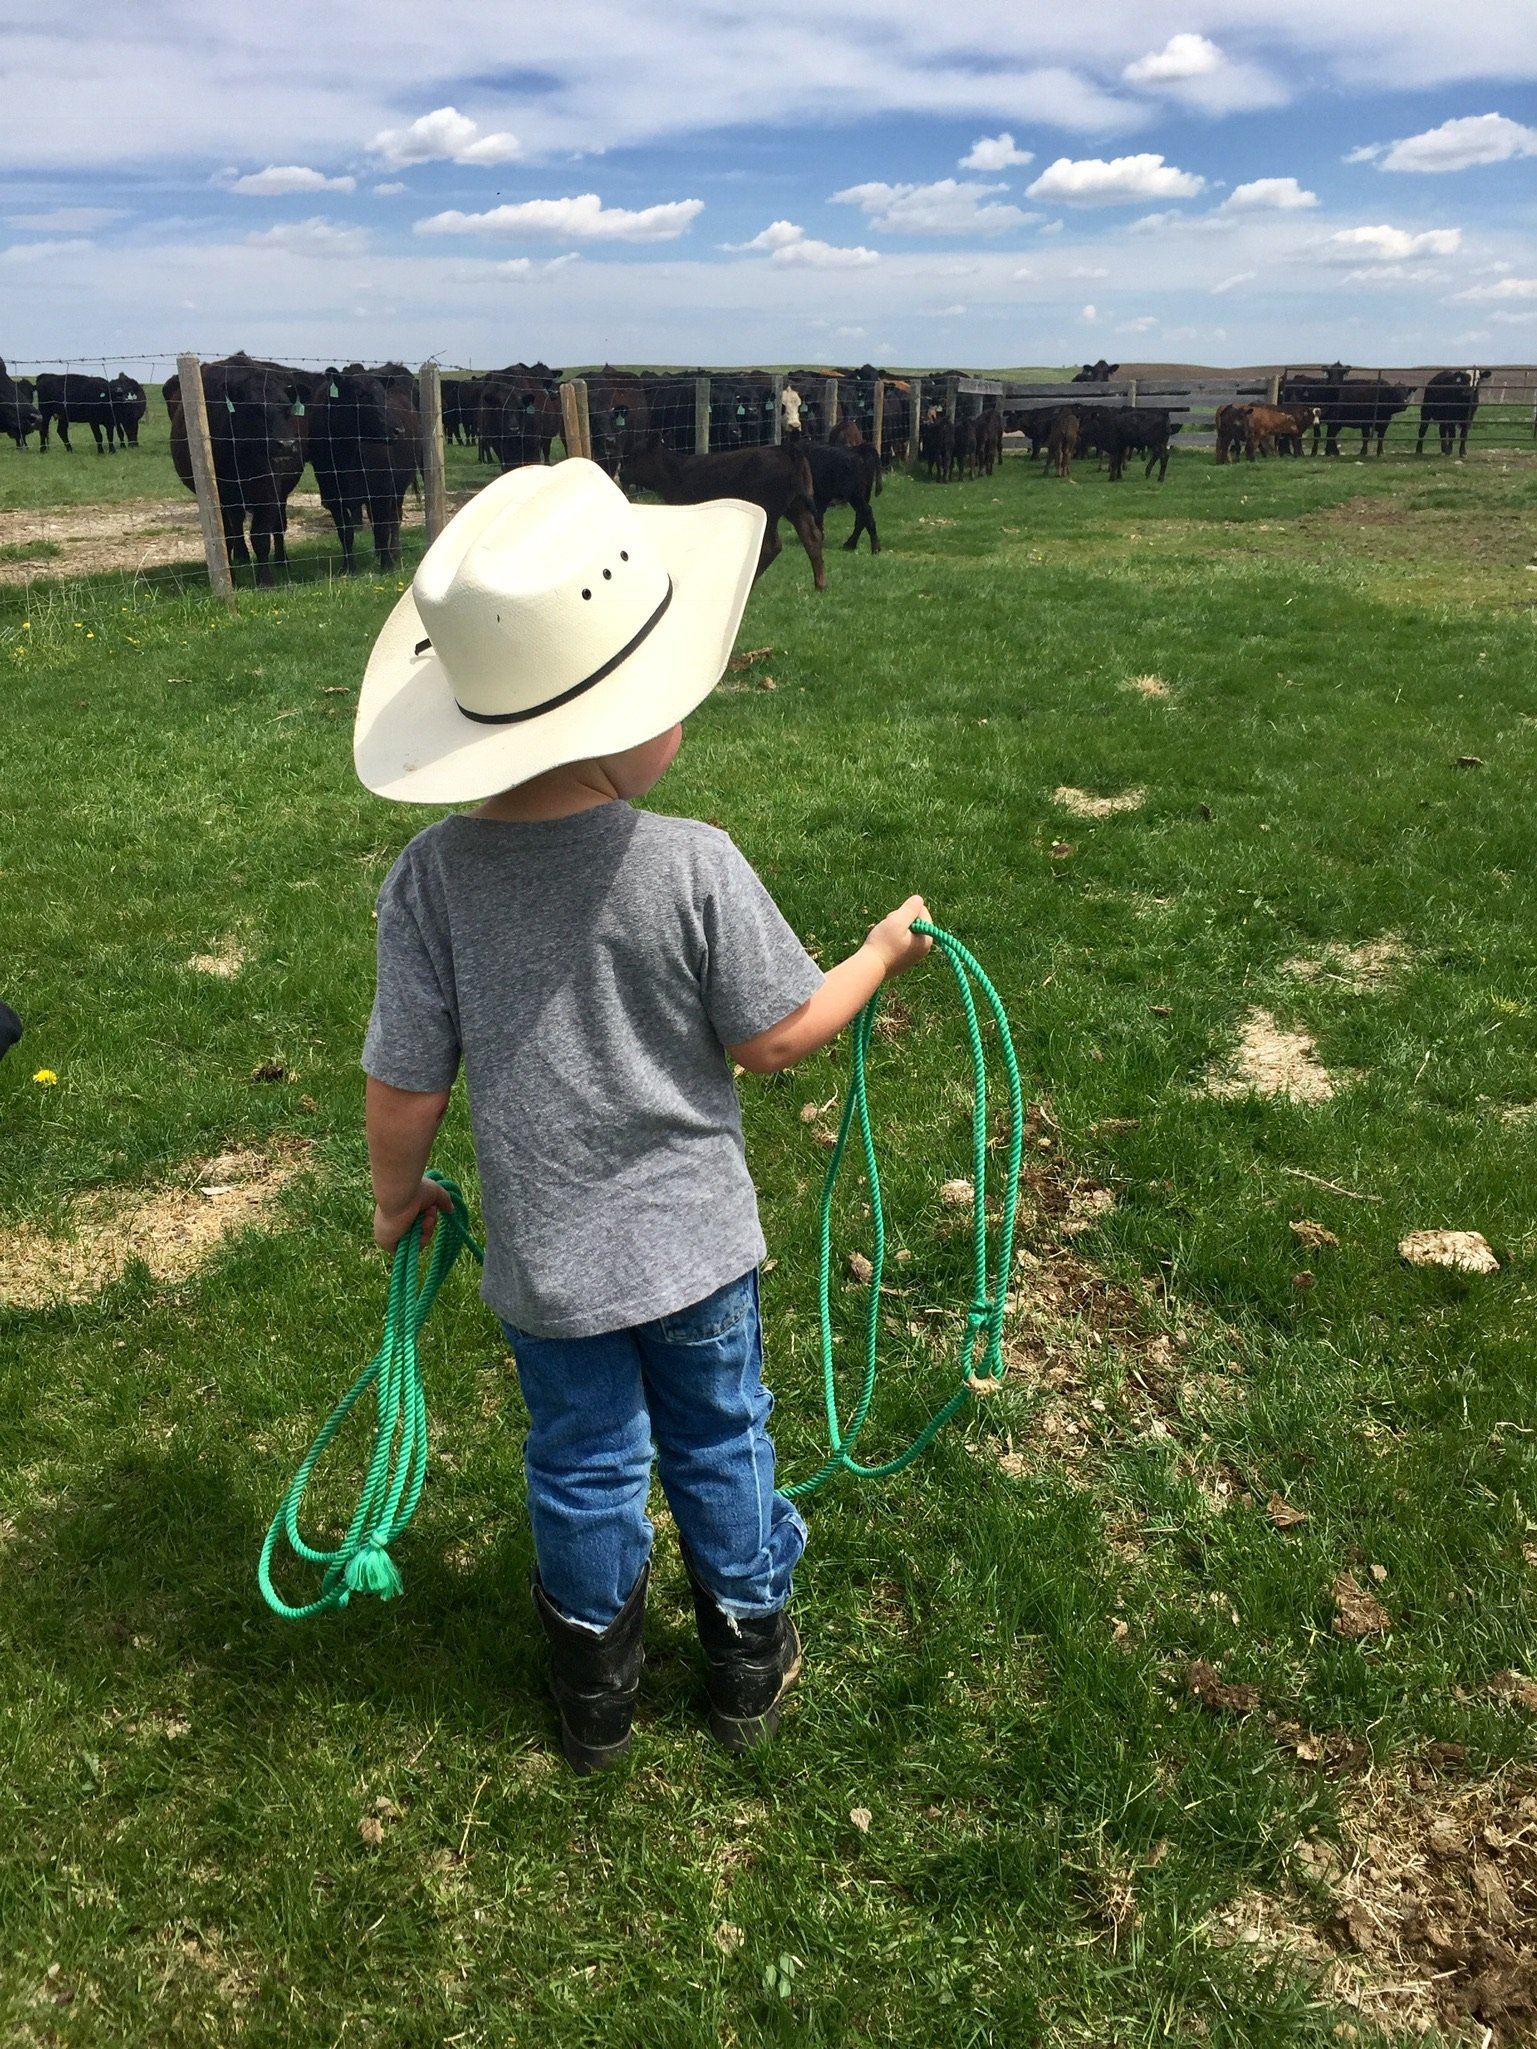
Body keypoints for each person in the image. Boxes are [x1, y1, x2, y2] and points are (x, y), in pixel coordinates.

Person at [354, 458, 931, 1773]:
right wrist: (879, 954)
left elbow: (405, 1080)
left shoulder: (430, 878)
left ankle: (593, 1692)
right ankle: (742, 1656)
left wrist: (398, 1196)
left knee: (581, 1457)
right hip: (693, 1253)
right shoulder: (691, 861)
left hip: (547, 1261)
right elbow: (775, 1035)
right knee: (720, 1430)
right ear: (627, 723)